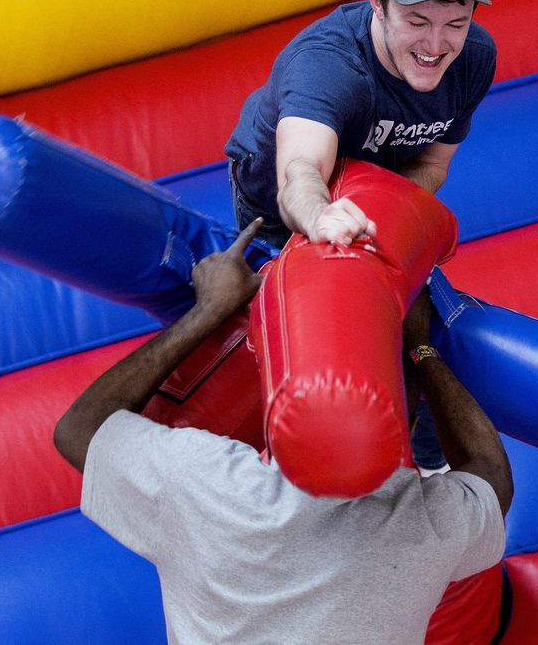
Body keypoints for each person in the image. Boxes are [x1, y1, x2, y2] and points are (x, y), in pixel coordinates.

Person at [54, 219, 513, 644]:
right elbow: (490, 474)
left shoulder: (210, 487)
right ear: (407, 427)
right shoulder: (419, 525)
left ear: (275, 413)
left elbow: (79, 429)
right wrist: (422, 350)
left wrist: (209, 311)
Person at [224, 0, 496, 249]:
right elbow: (299, 169)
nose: (435, 46)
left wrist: (377, 210)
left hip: (371, 173)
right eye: (417, 22)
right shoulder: (327, 66)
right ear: (377, 5)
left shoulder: (474, 57)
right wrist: (321, 217)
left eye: (456, 25)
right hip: (275, 194)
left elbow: (432, 163)